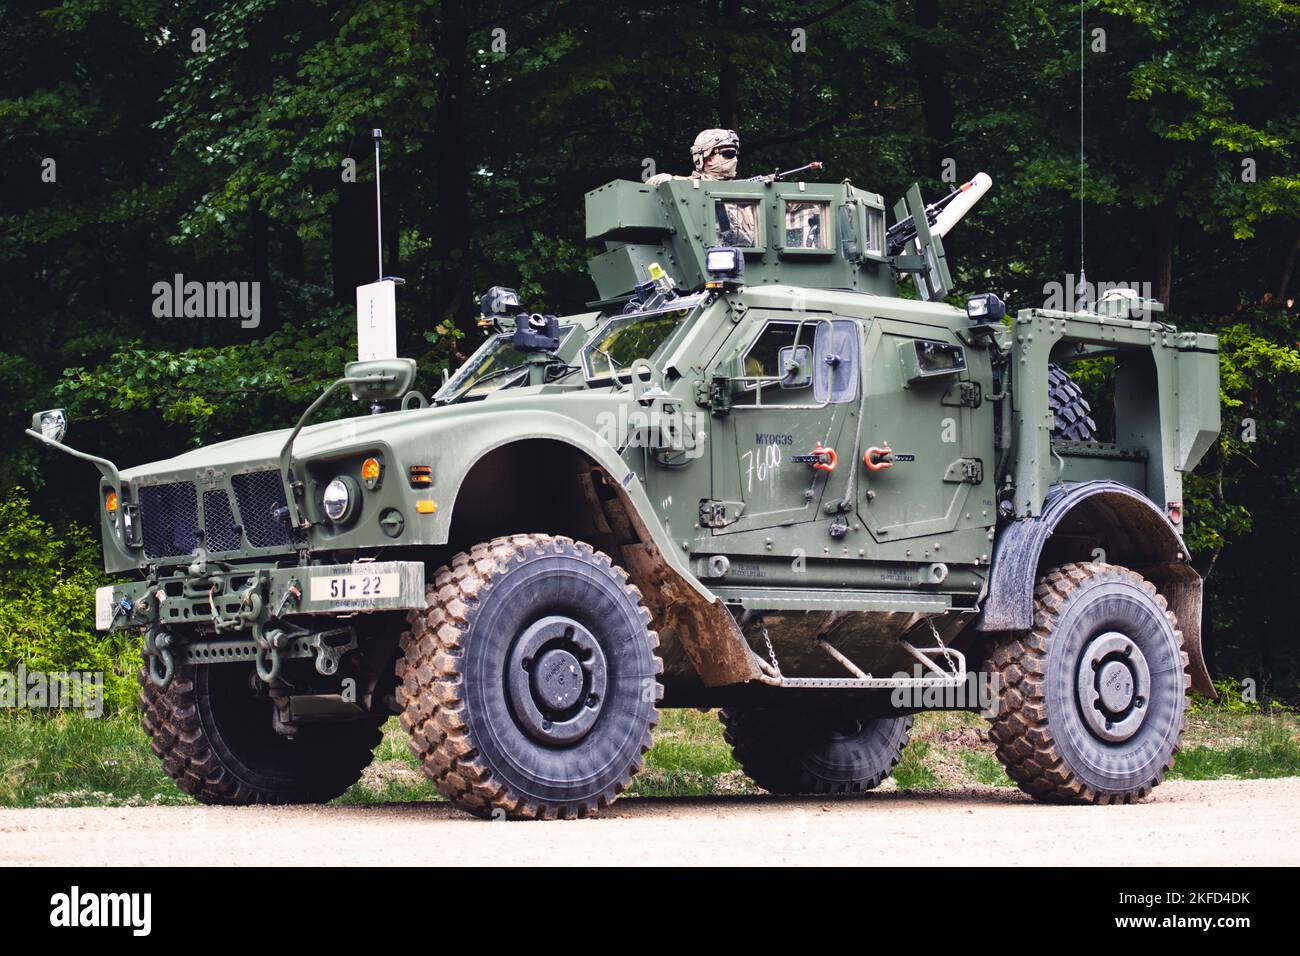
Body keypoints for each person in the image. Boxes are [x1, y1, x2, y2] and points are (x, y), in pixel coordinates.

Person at [646, 129, 757, 246]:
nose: (735, 159)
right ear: (707, 158)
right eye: (729, 154)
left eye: (736, 154)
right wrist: (673, 182)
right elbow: (652, 184)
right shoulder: (684, 188)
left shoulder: (747, 198)